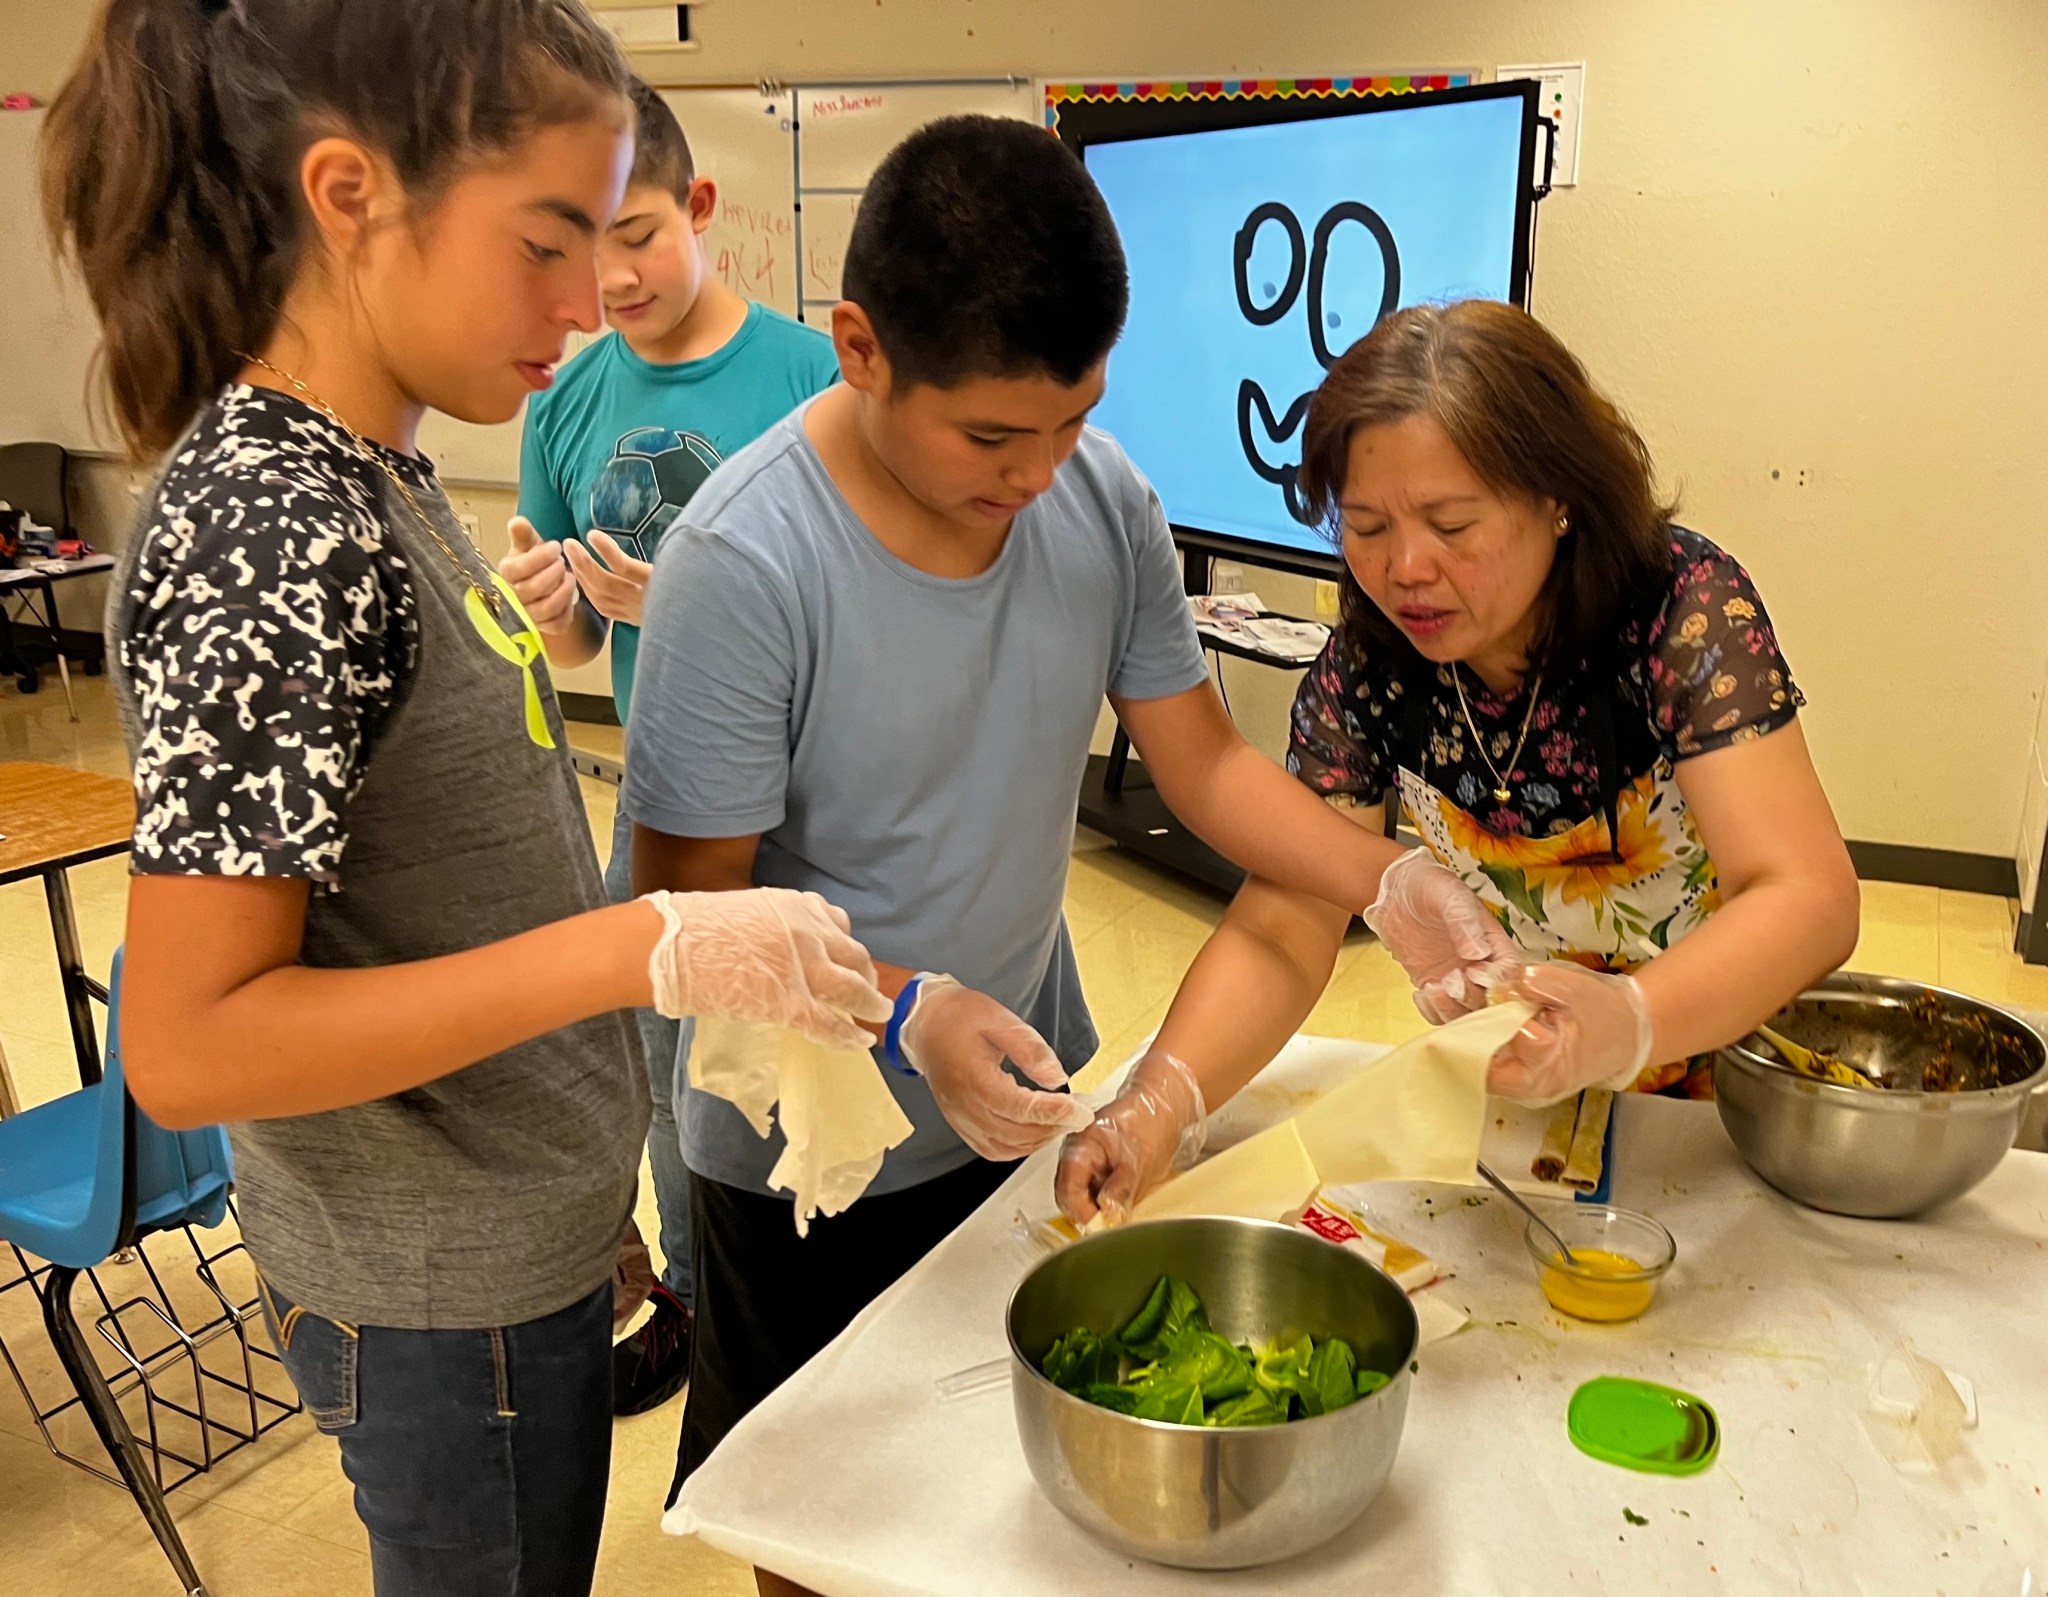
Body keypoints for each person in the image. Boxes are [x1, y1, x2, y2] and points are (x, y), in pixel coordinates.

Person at [41, 5, 886, 1594]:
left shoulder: (379, 472)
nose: (586, 303)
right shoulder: (270, 527)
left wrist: (578, 1177)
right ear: (351, 196)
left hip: (504, 1237)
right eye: (546, 242)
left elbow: (453, 876)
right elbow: (194, 1036)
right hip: (434, 1301)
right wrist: (647, 948)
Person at [620, 116, 1516, 1582]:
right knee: (813, 1503)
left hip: (1027, 1097)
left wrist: (1387, 880)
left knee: (1001, 1478)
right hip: (804, 1153)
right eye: (989, 435)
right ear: (858, 346)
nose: (1036, 473)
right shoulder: (745, 566)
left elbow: (1207, 761)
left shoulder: (1100, 496)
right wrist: (906, 1007)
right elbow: (687, 908)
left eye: (1070, 416)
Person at [1057, 299, 1862, 1225]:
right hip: (1528, 1109)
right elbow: (1286, 923)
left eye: (1450, 524)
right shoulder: (1373, 663)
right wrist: (1160, 1101)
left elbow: (1807, 894)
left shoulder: (1677, 608)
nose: (1406, 569)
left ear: (1558, 498)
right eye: (1364, 526)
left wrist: (1632, 1020)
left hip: (1737, 1119)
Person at [498, 76, 841, 1417]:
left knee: (792, 1070)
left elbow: (858, 608)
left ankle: (803, 1304)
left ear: (700, 209)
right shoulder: (565, 399)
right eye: (579, 243)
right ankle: (698, 1314)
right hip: (659, 795)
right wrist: (559, 612)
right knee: (655, 1079)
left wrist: (693, 600)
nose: (611, 274)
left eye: (636, 232)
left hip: (807, 791)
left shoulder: (814, 376)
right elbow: (579, 653)